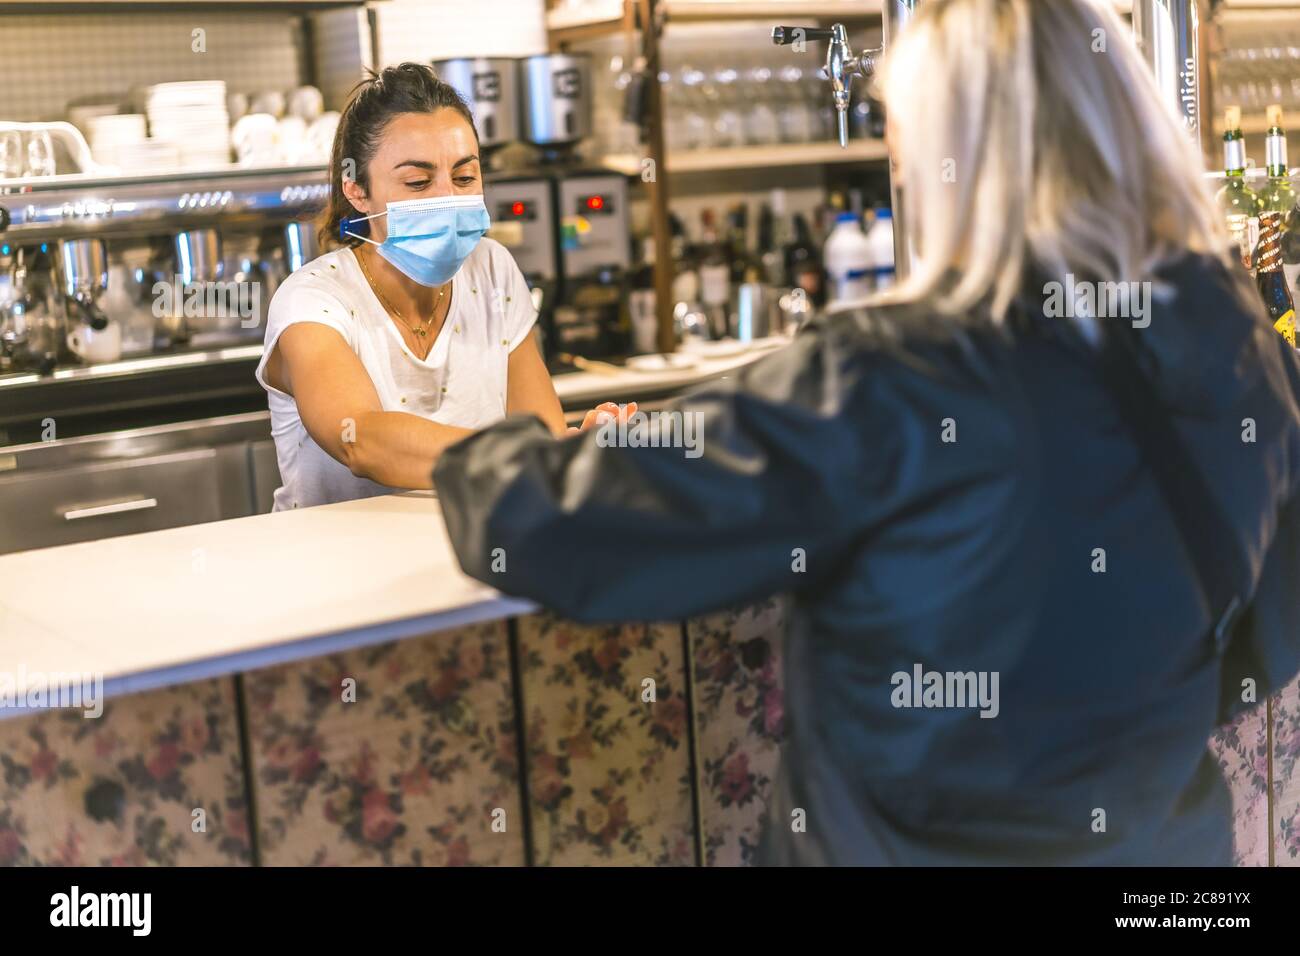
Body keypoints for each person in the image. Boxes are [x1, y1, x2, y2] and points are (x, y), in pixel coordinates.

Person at [431, 0, 1300, 865]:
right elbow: (1279, 616)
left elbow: (554, 522)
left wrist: (482, 451)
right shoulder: (1236, 342)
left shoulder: (900, 374)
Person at [255, 63, 629, 511]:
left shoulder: (492, 269)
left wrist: (571, 455)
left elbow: (539, 435)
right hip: (337, 569)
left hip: (468, 557)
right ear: (356, 190)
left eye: (465, 177)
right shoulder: (314, 300)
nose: (448, 197)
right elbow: (363, 441)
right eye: (418, 182)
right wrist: (518, 456)